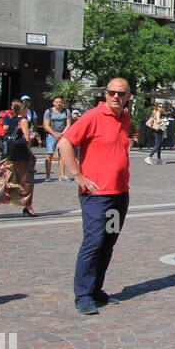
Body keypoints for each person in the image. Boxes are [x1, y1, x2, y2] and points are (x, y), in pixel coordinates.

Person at [58, 78, 134, 315]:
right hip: (96, 196)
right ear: (105, 93)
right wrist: (78, 175)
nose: (116, 97)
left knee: (108, 242)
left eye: (120, 94)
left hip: (118, 194)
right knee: (93, 242)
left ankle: (96, 290)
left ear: (127, 96)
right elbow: (65, 143)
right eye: (112, 92)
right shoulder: (92, 116)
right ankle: (82, 295)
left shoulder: (125, 119)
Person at [0, 100, 37, 219]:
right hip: (21, 152)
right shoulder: (23, 120)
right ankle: (28, 207)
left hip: (11, 152)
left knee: (8, 178)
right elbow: (27, 139)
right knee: (26, 180)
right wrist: (31, 136)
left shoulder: (12, 119)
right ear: (23, 109)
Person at [42, 97, 71, 180]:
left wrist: (62, 134)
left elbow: (68, 124)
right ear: (53, 103)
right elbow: (46, 125)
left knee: (62, 154)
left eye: (60, 102)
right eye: (57, 102)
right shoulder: (49, 111)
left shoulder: (66, 111)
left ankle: (62, 175)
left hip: (63, 134)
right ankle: (48, 175)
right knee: (49, 154)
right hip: (51, 134)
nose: (58, 104)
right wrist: (54, 134)